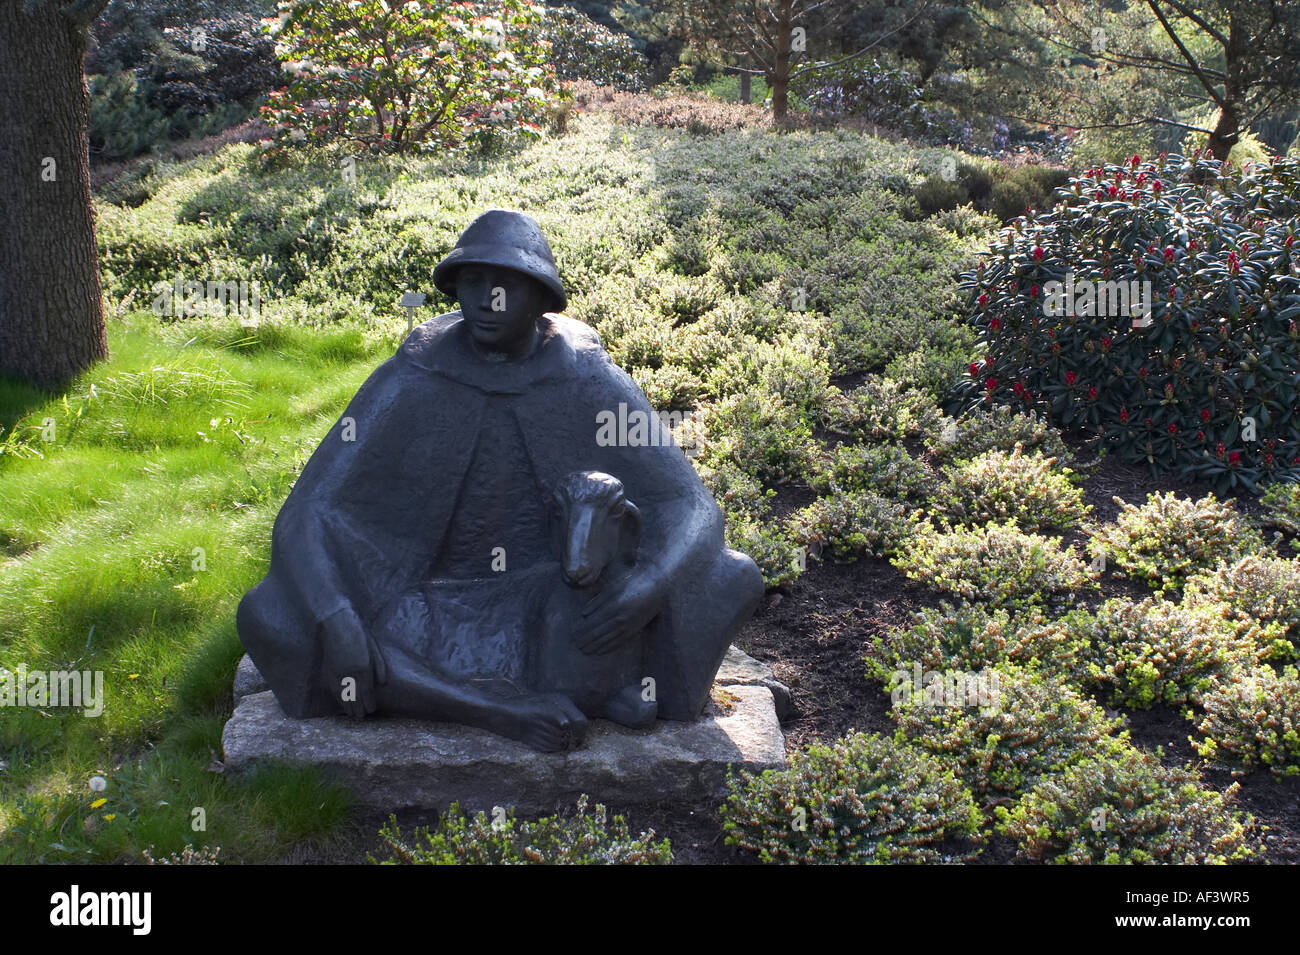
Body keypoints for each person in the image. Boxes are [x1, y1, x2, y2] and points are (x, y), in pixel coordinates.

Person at [236, 209, 764, 752]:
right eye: (473, 282)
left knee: (731, 580)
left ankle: (442, 692)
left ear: (541, 298)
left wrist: (650, 583)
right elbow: (307, 510)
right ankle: (504, 707)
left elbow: (691, 505)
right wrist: (337, 615)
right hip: (427, 605)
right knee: (272, 617)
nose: (487, 301)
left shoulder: (587, 378)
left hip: (564, 603)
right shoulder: (413, 377)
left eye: (508, 285)